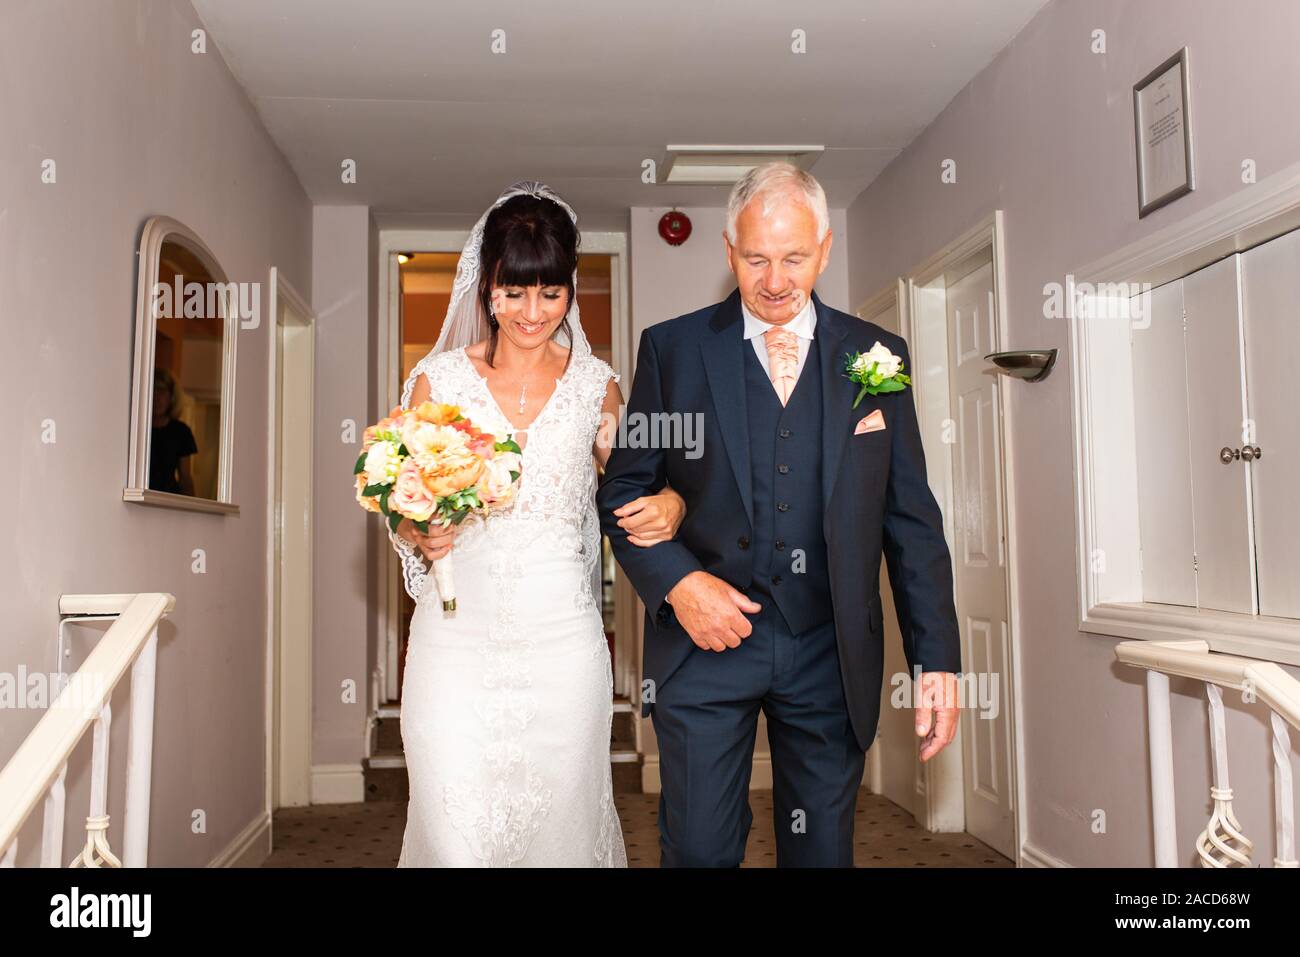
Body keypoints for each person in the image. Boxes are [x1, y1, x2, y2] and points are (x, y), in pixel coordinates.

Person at [598, 162, 963, 867]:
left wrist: (936, 660)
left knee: (820, 852)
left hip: (829, 650)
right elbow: (621, 495)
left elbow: (910, 519)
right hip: (706, 645)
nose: (774, 279)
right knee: (700, 850)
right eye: (756, 258)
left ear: (825, 249)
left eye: (794, 257)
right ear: (729, 251)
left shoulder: (877, 358)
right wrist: (680, 583)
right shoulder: (672, 351)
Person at [388, 181, 684, 867]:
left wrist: (676, 503)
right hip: (454, 639)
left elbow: (640, 489)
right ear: (487, 283)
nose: (532, 311)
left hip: (562, 642)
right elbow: (402, 498)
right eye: (514, 291)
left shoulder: (596, 386)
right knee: (455, 832)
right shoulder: (438, 381)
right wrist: (417, 532)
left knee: (558, 837)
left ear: (570, 291)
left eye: (551, 293)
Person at [150, 367, 197, 495]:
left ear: (171, 397)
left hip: (170, 497)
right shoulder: (137, 430)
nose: (157, 398)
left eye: (162, 392)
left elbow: (185, 478)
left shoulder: (181, 432)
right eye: (153, 391)